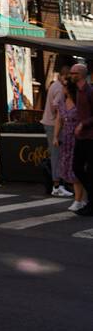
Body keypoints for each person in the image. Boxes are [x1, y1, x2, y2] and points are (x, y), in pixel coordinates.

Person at [54, 76, 87, 213]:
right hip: (67, 138)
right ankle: (82, 198)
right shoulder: (62, 101)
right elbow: (58, 120)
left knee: (77, 169)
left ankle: (79, 200)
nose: (63, 89)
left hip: (79, 138)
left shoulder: (79, 101)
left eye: (65, 87)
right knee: (69, 168)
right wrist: (55, 136)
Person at [43, 66, 73, 197]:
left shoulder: (54, 85)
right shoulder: (60, 89)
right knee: (57, 155)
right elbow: (57, 108)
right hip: (53, 124)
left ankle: (59, 184)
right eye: (67, 78)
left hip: (49, 123)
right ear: (63, 76)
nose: (68, 81)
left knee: (57, 155)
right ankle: (57, 186)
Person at [69, 61, 93, 217]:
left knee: (90, 171)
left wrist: (82, 124)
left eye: (74, 73)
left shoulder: (90, 91)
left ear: (81, 75)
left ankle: (90, 205)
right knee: (76, 167)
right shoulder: (77, 91)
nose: (71, 76)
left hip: (90, 137)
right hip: (81, 137)